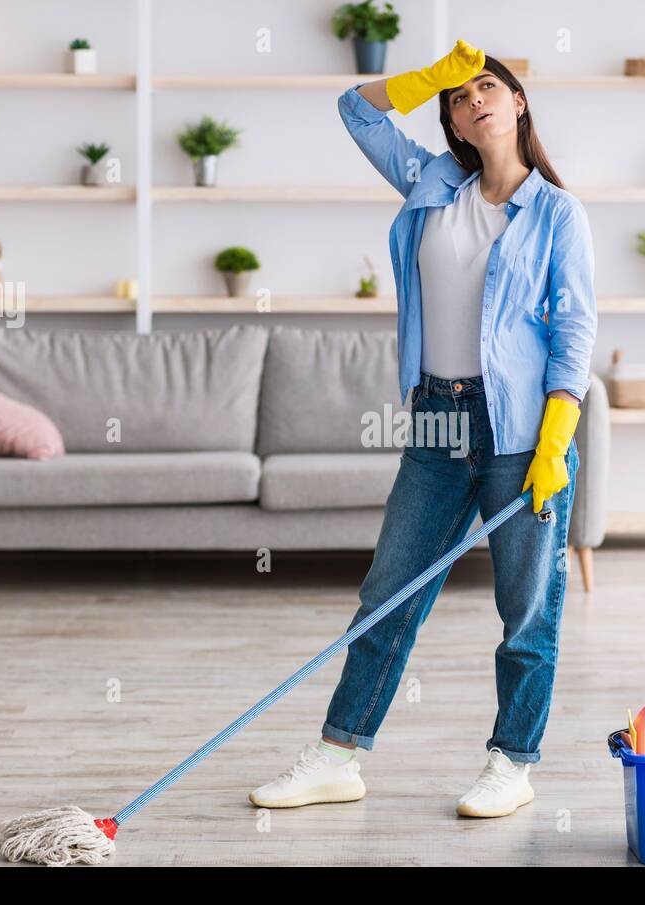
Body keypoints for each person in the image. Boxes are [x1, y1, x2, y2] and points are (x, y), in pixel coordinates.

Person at [250, 39, 597, 819]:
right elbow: (354, 110)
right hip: (439, 420)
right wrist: (426, 79)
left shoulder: (557, 213)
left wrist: (553, 441)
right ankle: (339, 755)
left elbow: (575, 333)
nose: (472, 99)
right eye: (457, 97)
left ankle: (512, 762)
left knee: (526, 610)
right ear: (457, 123)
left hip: (523, 434)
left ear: (518, 103)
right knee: (387, 595)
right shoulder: (432, 184)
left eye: (486, 87)